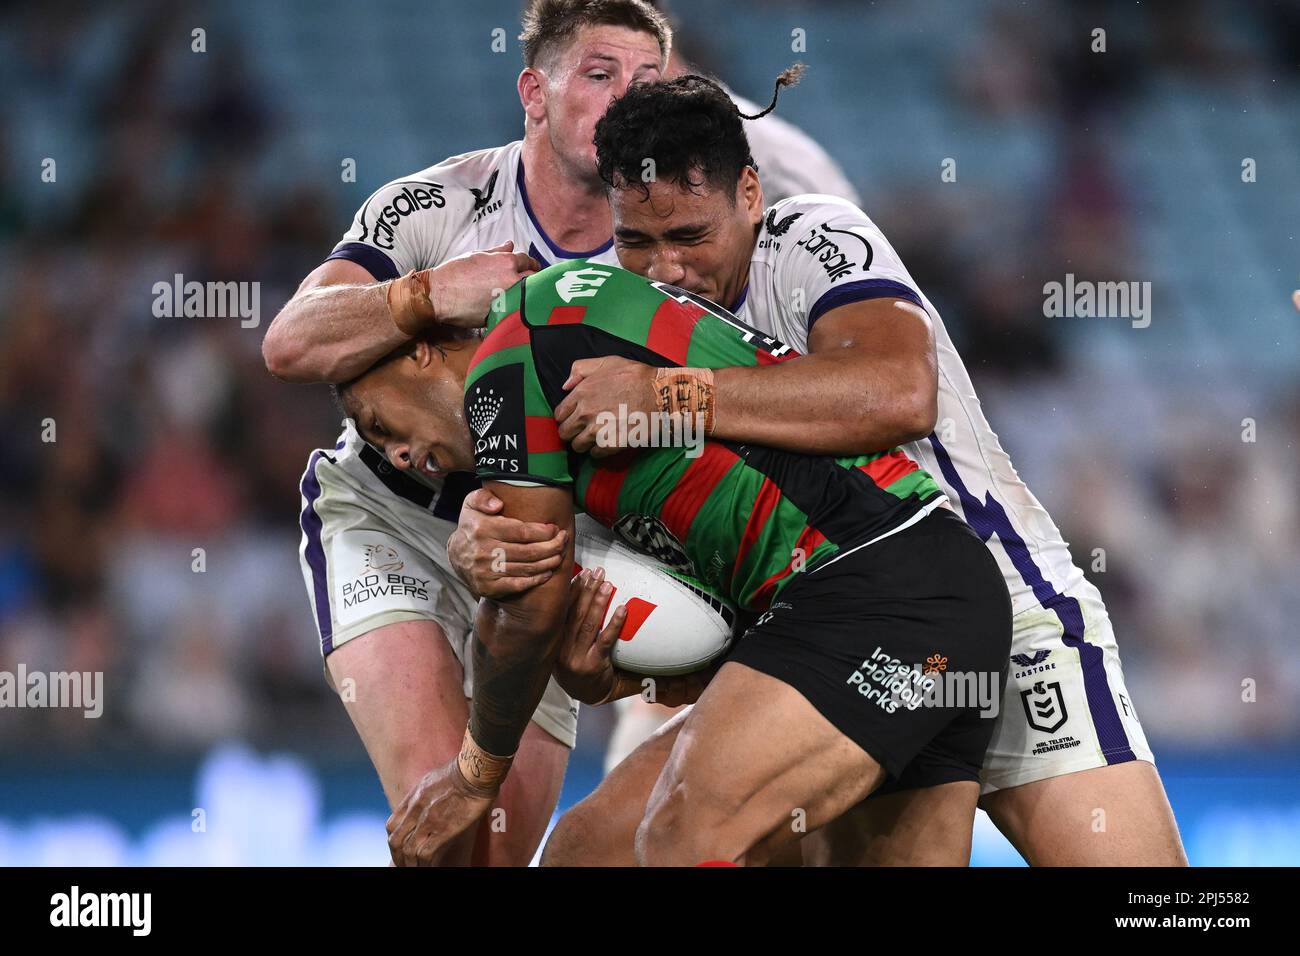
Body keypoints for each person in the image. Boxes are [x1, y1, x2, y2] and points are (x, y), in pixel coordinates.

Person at [461, 73, 1188, 866]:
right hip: (828, 633)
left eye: (690, 237)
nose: (666, 268)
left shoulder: (809, 239)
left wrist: (672, 394)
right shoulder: (626, 328)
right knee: (594, 850)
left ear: (749, 193)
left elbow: (898, 390)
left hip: (1011, 607)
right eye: (637, 242)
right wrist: (606, 665)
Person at [345, 257, 1012, 866]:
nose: (398, 459)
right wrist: (607, 677)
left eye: (379, 425)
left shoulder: (509, 358)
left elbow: (527, 611)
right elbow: (718, 626)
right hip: (902, 606)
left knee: (680, 839)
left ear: (422, 352)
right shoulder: (575, 406)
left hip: (882, 582)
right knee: (589, 853)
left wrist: (474, 774)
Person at [263, 0, 674, 866]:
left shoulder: (670, 256)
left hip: (549, 547)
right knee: (438, 820)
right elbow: (290, 341)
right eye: (599, 75)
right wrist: (426, 294)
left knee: (493, 851)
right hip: (394, 517)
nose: (627, 100)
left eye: (646, 82)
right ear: (534, 91)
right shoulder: (437, 203)